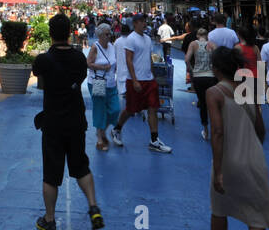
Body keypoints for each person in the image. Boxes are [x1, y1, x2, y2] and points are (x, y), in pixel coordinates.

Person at [197, 47, 269, 230]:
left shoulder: (214, 93)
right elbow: (260, 128)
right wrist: (253, 148)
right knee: (257, 219)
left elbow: (218, 133)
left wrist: (219, 170)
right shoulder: (247, 90)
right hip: (254, 159)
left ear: (217, 69)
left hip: (229, 160)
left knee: (219, 210)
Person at [33, 13, 104, 230]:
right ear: (69, 32)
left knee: (51, 174)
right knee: (81, 166)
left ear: (51, 34)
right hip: (76, 121)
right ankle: (93, 206)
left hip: (53, 123)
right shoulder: (79, 59)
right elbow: (79, 79)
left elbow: (39, 78)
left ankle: (50, 220)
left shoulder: (43, 60)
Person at [110, 14, 172, 153]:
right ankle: (117, 129)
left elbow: (148, 59)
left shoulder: (148, 39)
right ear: (136, 23)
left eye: (145, 21)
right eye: (143, 22)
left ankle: (154, 140)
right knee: (131, 110)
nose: (145, 24)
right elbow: (129, 60)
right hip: (135, 81)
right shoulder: (131, 39)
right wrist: (135, 80)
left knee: (153, 108)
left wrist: (153, 76)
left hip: (149, 81)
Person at [86, 22, 121, 151]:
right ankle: (100, 139)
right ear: (100, 35)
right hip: (98, 82)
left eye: (110, 33)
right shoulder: (95, 47)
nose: (109, 35)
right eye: (107, 34)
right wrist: (102, 67)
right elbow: (88, 63)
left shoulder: (112, 46)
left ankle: (101, 131)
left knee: (115, 109)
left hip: (111, 83)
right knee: (100, 109)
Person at [185, 28, 216, 141]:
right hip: (210, 76)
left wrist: (191, 71)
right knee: (212, 104)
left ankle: (206, 130)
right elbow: (217, 59)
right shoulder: (212, 45)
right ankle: (215, 128)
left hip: (198, 76)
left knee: (202, 103)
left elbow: (187, 59)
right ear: (206, 35)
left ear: (197, 35)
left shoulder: (193, 44)